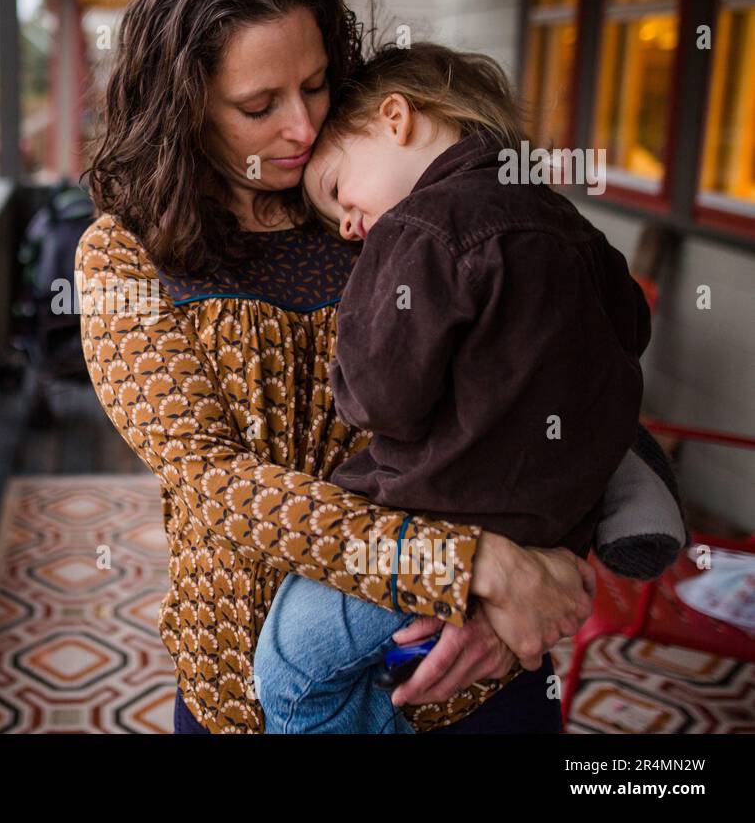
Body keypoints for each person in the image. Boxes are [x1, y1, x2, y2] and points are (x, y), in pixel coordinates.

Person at [76, 0, 675, 734]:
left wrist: (532, 578)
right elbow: (214, 482)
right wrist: (472, 569)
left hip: (469, 680)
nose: (302, 127)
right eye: (260, 105)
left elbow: (549, 371)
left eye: (318, 85)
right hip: (252, 690)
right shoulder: (123, 259)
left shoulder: (389, 200)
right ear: (182, 107)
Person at [251, 42, 687, 734]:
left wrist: (356, 328)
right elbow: (628, 324)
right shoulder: (566, 220)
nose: (346, 226)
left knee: (291, 674)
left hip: (434, 521)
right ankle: (622, 475)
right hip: (548, 531)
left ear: (397, 119)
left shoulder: (417, 229)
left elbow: (380, 398)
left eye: (337, 191)